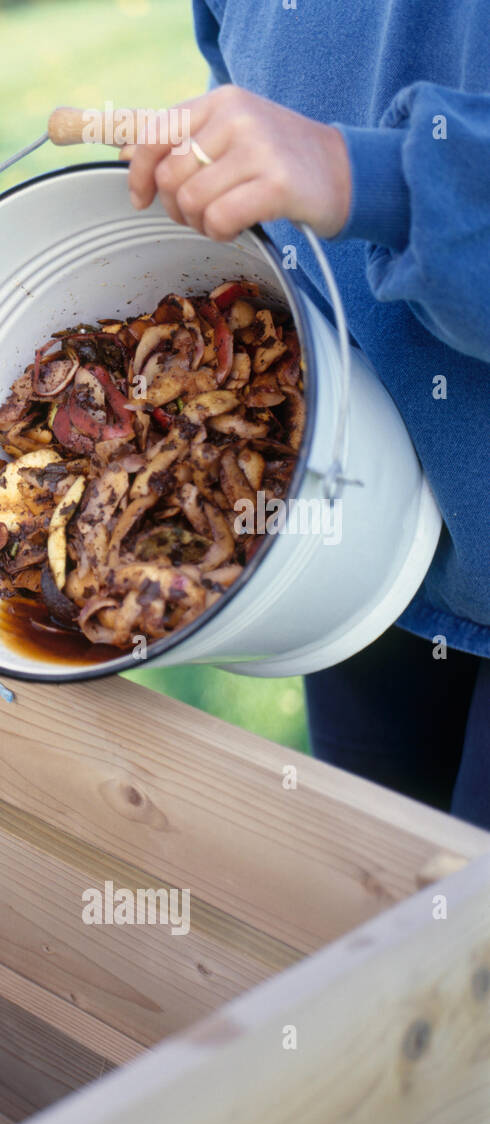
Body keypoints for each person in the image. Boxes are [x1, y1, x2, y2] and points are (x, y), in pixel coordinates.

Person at [118, 0, 490, 829]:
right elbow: (251, 67)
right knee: (379, 921)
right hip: (355, 539)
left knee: (470, 950)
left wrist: (364, 174)